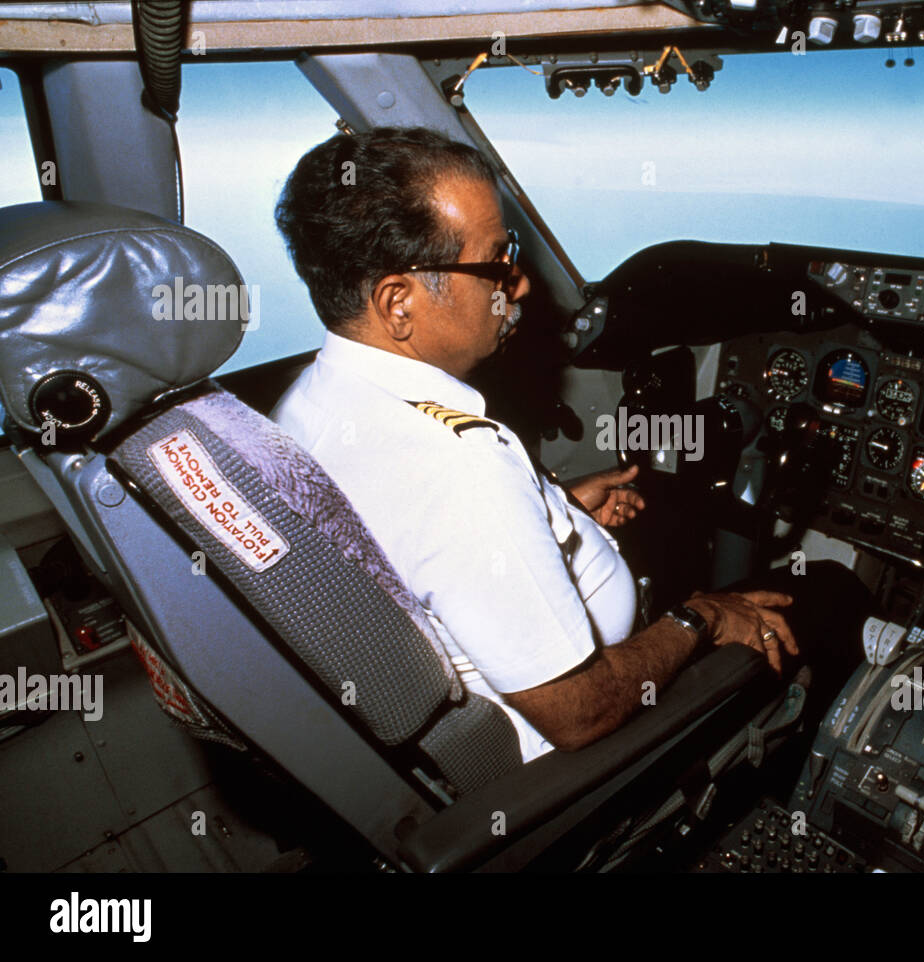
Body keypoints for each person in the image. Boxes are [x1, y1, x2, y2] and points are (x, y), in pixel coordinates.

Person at [271, 127, 800, 762]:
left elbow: (422, 543)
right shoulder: (456, 468)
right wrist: (701, 618)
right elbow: (583, 711)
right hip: (579, 752)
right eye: (497, 263)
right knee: (822, 602)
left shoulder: (309, 402)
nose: (518, 286)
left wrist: (555, 514)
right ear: (398, 303)